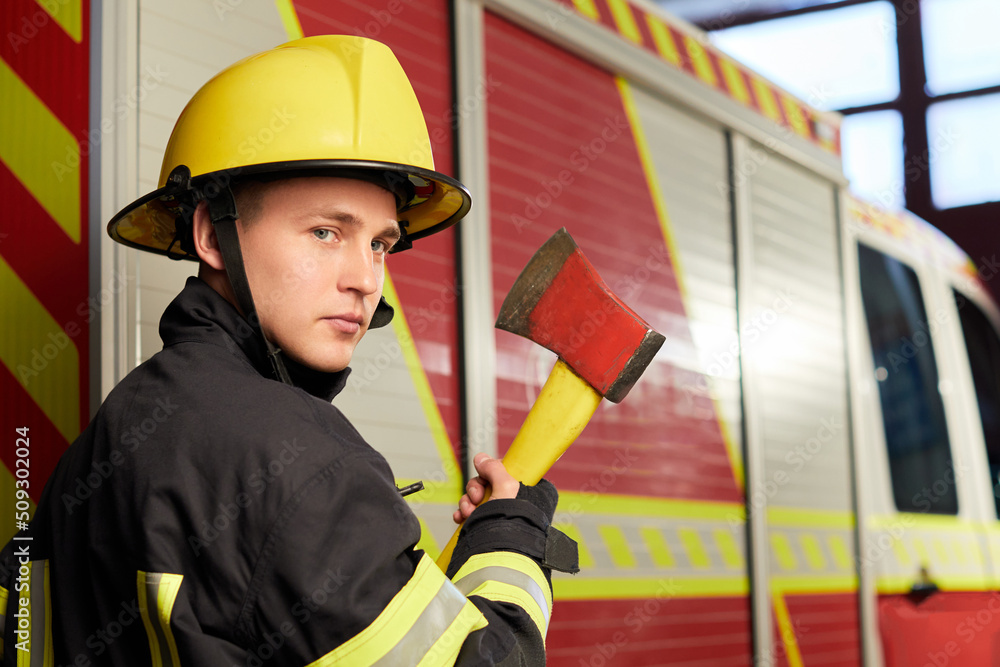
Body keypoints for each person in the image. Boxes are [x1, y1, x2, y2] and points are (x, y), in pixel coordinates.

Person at [0, 35, 577, 665]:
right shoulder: (295, 461)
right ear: (212, 238)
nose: (365, 278)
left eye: (380, 244)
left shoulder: (118, 427)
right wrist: (508, 538)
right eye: (327, 232)